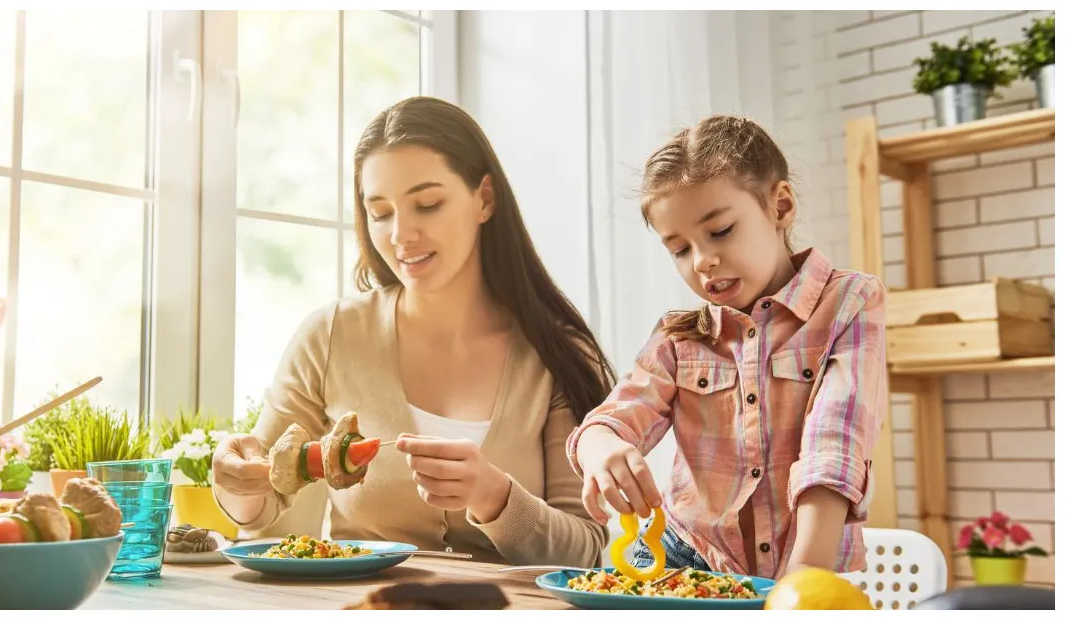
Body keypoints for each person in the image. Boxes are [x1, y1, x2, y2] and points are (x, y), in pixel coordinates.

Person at [212, 96, 616, 567]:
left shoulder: (558, 352)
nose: (402, 234)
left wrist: (494, 496)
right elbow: (266, 507)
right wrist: (236, 486)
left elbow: (585, 551)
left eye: (427, 204)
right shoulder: (329, 336)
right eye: (380, 213)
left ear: (484, 199)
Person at [565, 114, 887, 580]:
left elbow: (833, 444)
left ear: (780, 207)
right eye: (679, 249)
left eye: (719, 231)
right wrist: (600, 448)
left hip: (808, 569)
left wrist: (804, 579)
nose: (702, 261)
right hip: (688, 564)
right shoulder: (679, 336)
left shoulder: (849, 302)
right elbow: (614, 417)